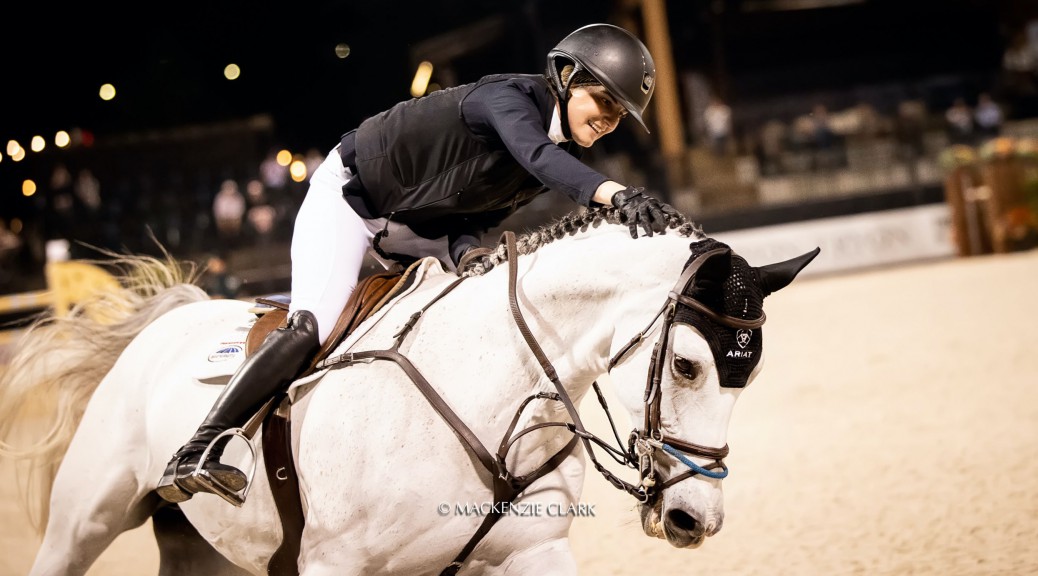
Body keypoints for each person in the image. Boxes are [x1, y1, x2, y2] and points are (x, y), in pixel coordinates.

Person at [156, 22, 679, 503]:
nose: (609, 122)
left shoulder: (554, 153)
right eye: (604, 102)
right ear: (566, 77)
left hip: (414, 230)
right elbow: (539, 156)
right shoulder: (508, 100)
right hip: (351, 203)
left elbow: (470, 215)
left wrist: (464, 252)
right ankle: (199, 448)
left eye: (619, 116)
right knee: (310, 328)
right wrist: (614, 195)